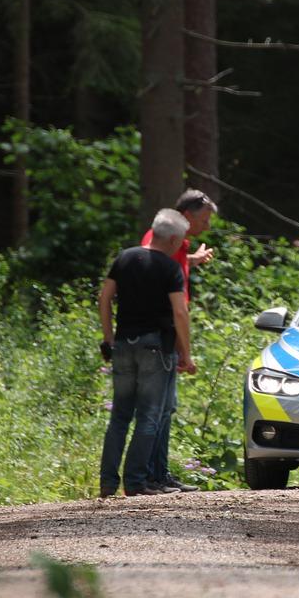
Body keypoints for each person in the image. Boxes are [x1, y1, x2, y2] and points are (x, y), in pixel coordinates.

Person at [97, 209, 197, 498]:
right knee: (150, 416)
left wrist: (108, 338)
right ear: (175, 239)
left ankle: (107, 482)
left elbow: (104, 298)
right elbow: (180, 311)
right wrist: (186, 355)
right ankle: (136, 481)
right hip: (156, 347)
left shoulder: (124, 258)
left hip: (123, 345)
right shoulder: (169, 268)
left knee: (119, 416)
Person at [140, 188, 216, 493]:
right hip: (158, 336)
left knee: (166, 408)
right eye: (205, 219)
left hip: (166, 336)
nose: (207, 227)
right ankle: (147, 477)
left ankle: (159, 474)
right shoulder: (159, 241)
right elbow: (152, 272)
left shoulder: (179, 246)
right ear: (187, 217)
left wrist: (193, 259)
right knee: (155, 409)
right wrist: (185, 350)